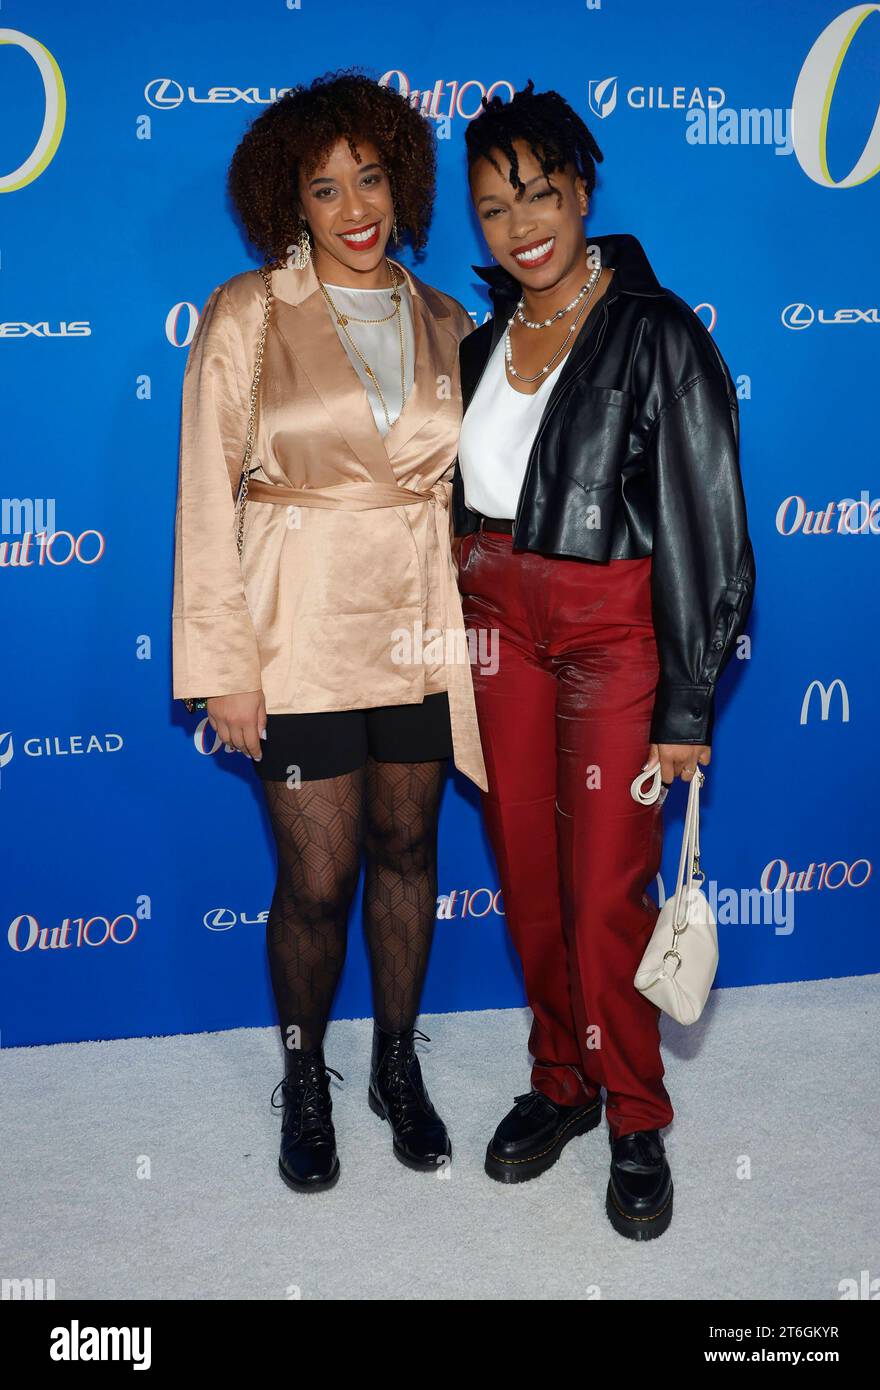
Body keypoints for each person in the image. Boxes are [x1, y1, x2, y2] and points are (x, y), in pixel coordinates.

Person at [172, 70, 486, 1193]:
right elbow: (209, 497)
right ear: (287, 206)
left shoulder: (448, 319)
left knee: (409, 852)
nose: (354, 206)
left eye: (370, 177)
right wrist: (222, 667)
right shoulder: (248, 311)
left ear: (401, 182)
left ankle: (396, 1064)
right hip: (294, 629)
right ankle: (306, 1078)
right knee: (316, 881)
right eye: (323, 187)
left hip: (413, 624)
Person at [453, 82, 755, 1239]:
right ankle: (561, 1079)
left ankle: (635, 1109)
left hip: (614, 633)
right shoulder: (482, 341)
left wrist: (687, 700)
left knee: (598, 890)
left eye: (536, 190)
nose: (519, 221)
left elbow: (709, 531)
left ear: (581, 188)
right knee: (529, 875)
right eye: (491, 206)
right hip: (496, 632)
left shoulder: (656, 328)